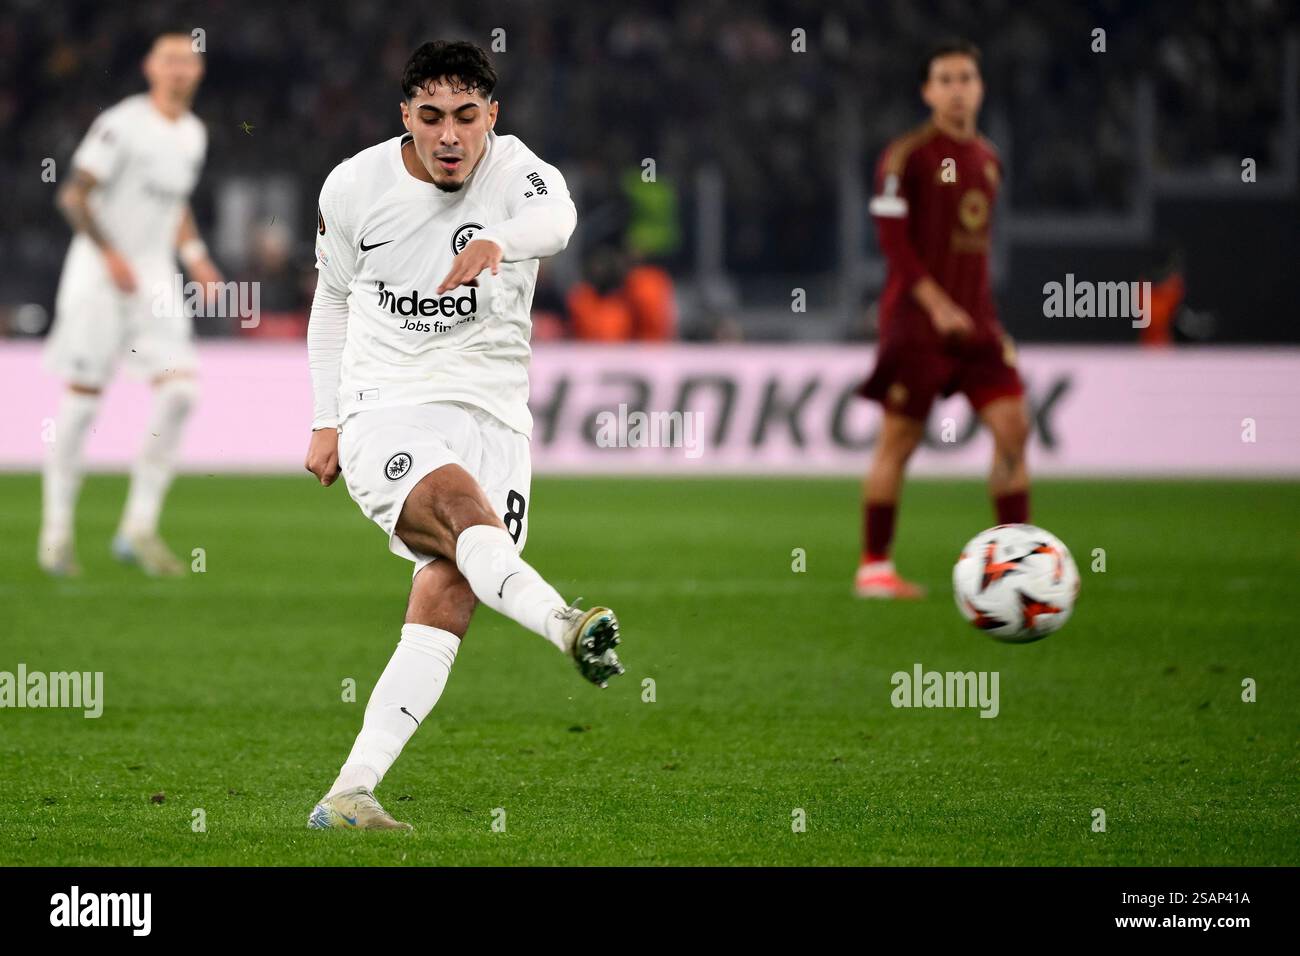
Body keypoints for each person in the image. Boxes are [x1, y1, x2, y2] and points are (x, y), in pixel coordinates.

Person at [303, 41, 624, 831]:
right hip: (388, 405)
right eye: (432, 117)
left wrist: (498, 241)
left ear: (492, 116)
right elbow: (332, 301)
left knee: (451, 593)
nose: (450, 136)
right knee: (459, 514)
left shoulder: (516, 171)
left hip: (496, 418)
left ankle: (349, 793)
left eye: (467, 117)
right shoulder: (354, 186)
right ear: (405, 116)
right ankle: (563, 622)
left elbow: (560, 218)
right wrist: (325, 418)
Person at [41, 30, 221, 576]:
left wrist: (196, 256)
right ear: (150, 68)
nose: (178, 70)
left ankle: (137, 527)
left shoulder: (193, 133)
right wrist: (110, 254)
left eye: (187, 61)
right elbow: (71, 193)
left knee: (182, 392)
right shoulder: (122, 124)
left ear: (198, 72)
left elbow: (176, 203)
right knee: (84, 401)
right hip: (98, 275)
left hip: (154, 279)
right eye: (168, 60)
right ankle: (57, 533)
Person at [855, 39, 1031, 599]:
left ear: (980, 88)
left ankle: (1019, 564)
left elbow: (973, 251)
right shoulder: (907, 156)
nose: (958, 90)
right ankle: (875, 567)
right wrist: (934, 303)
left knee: (1013, 430)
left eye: (967, 79)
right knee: (899, 441)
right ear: (928, 91)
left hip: (978, 326)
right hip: (917, 326)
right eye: (946, 80)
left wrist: (982, 315)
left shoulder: (990, 160)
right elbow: (892, 239)